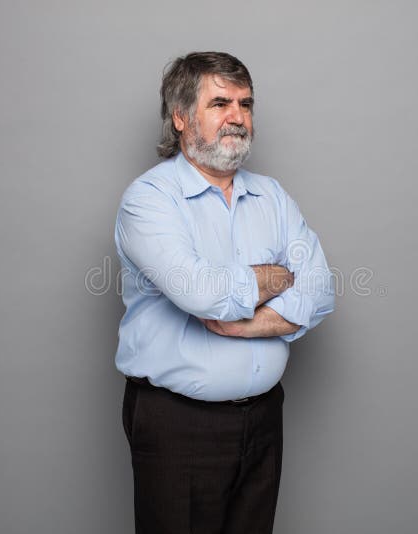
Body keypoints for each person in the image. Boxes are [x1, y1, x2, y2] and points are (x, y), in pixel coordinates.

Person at [114, 51, 335, 534]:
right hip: (179, 426)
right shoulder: (149, 200)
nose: (237, 116)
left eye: (245, 103)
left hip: (264, 420)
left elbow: (321, 289)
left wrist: (245, 325)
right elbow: (203, 294)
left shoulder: (272, 197)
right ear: (180, 117)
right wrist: (279, 277)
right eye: (220, 103)